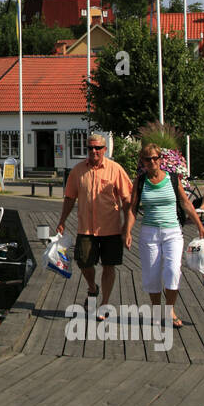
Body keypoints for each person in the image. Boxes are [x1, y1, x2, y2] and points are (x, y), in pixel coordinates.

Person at [124, 144, 204, 329]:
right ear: (143, 162)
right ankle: (156, 310)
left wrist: (200, 226)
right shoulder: (140, 181)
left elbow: (186, 204)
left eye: (155, 158)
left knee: (172, 271)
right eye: (148, 159)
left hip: (173, 233)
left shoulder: (172, 179)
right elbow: (133, 209)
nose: (152, 161)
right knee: (152, 275)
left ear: (161, 159)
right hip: (149, 233)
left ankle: (169, 309)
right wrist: (127, 231)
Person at [56, 133, 132, 321]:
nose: (94, 151)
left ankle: (104, 304)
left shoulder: (115, 169)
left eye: (98, 148)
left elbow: (127, 199)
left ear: (105, 149)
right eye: (90, 148)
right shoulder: (78, 171)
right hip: (86, 229)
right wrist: (62, 220)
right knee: (83, 262)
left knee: (109, 266)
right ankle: (92, 287)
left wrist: (127, 227)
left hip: (111, 228)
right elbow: (69, 198)